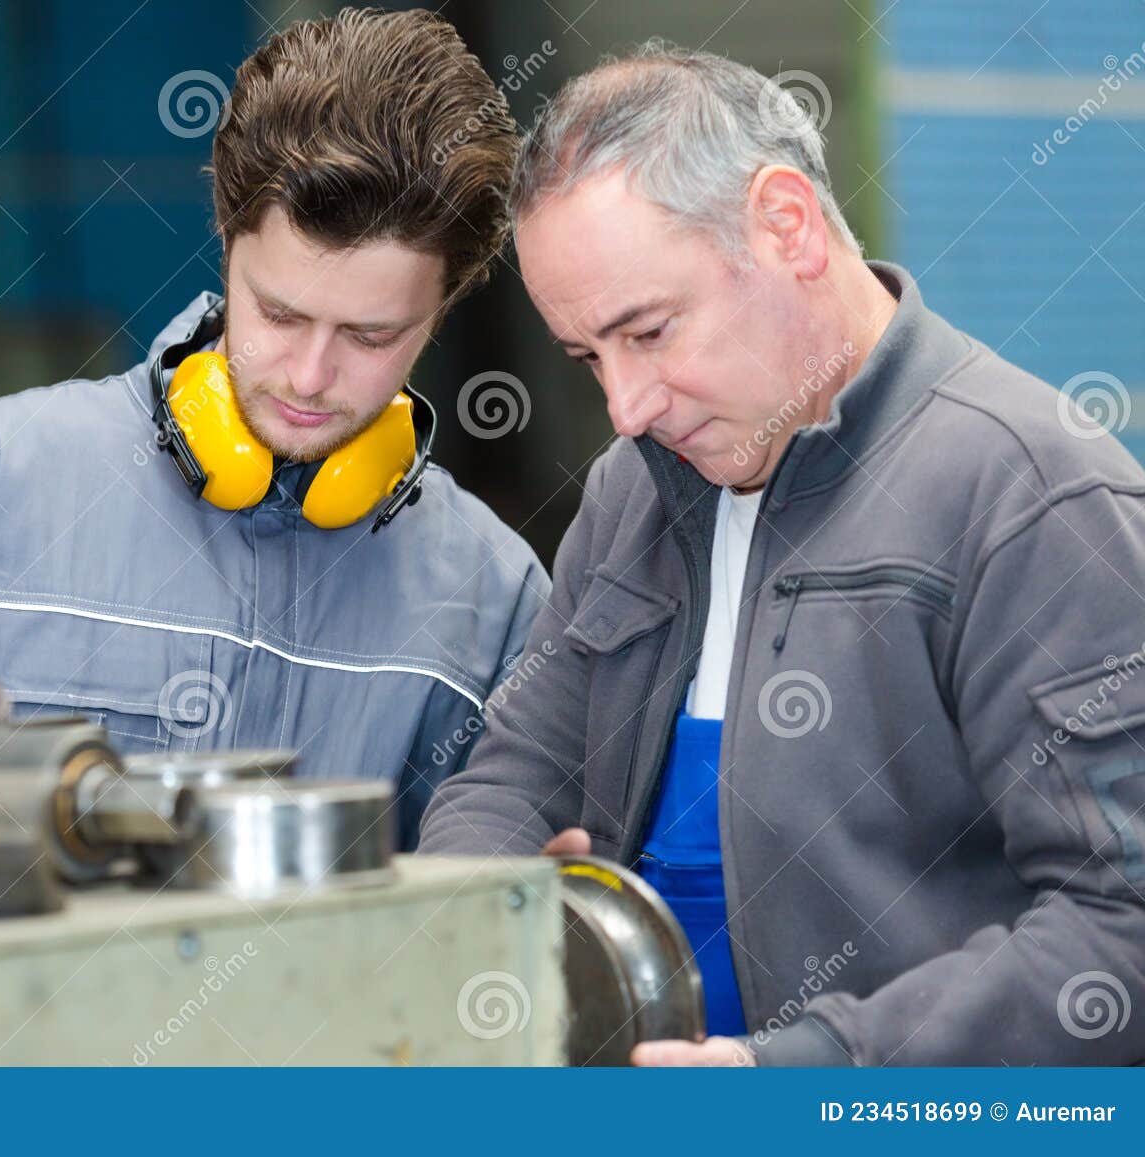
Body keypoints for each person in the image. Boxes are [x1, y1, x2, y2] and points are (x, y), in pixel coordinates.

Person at [420, 42, 1145, 1065]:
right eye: (590, 358)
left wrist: (802, 1072)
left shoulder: (1031, 496)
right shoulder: (638, 489)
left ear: (786, 225)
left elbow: (1120, 932)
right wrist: (465, 911)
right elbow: (514, 773)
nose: (624, 407)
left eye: (652, 331)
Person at [0, 9, 547, 847]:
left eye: (370, 337)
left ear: (443, 309)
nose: (308, 375)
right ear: (226, 240)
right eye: (278, 313)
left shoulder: (493, 600)